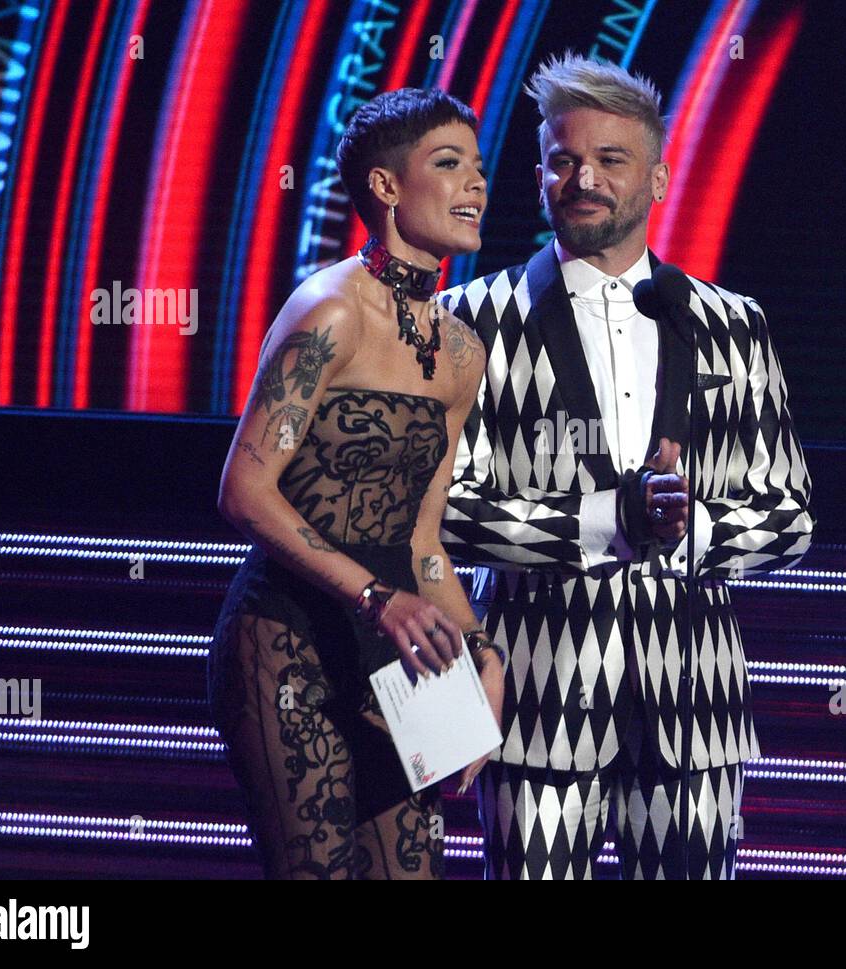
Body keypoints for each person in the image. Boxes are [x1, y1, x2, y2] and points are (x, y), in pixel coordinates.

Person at [438, 52, 816, 880]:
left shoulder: (732, 322)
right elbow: (442, 510)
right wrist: (605, 519)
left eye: (610, 160)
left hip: (696, 707)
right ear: (540, 175)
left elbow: (789, 513)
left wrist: (687, 528)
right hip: (537, 703)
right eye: (563, 159)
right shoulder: (469, 319)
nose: (584, 178)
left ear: (657, 178)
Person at [208, 88, 505, 880]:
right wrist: (379, 595)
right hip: (284, 643)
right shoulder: (329, 311)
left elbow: (422, 537)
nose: (476, 185)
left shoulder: (463, 353)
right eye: (449, 165)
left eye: (479, 168)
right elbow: (244, 489)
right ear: (385, 186)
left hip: (395, 660)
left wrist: (480, 649)